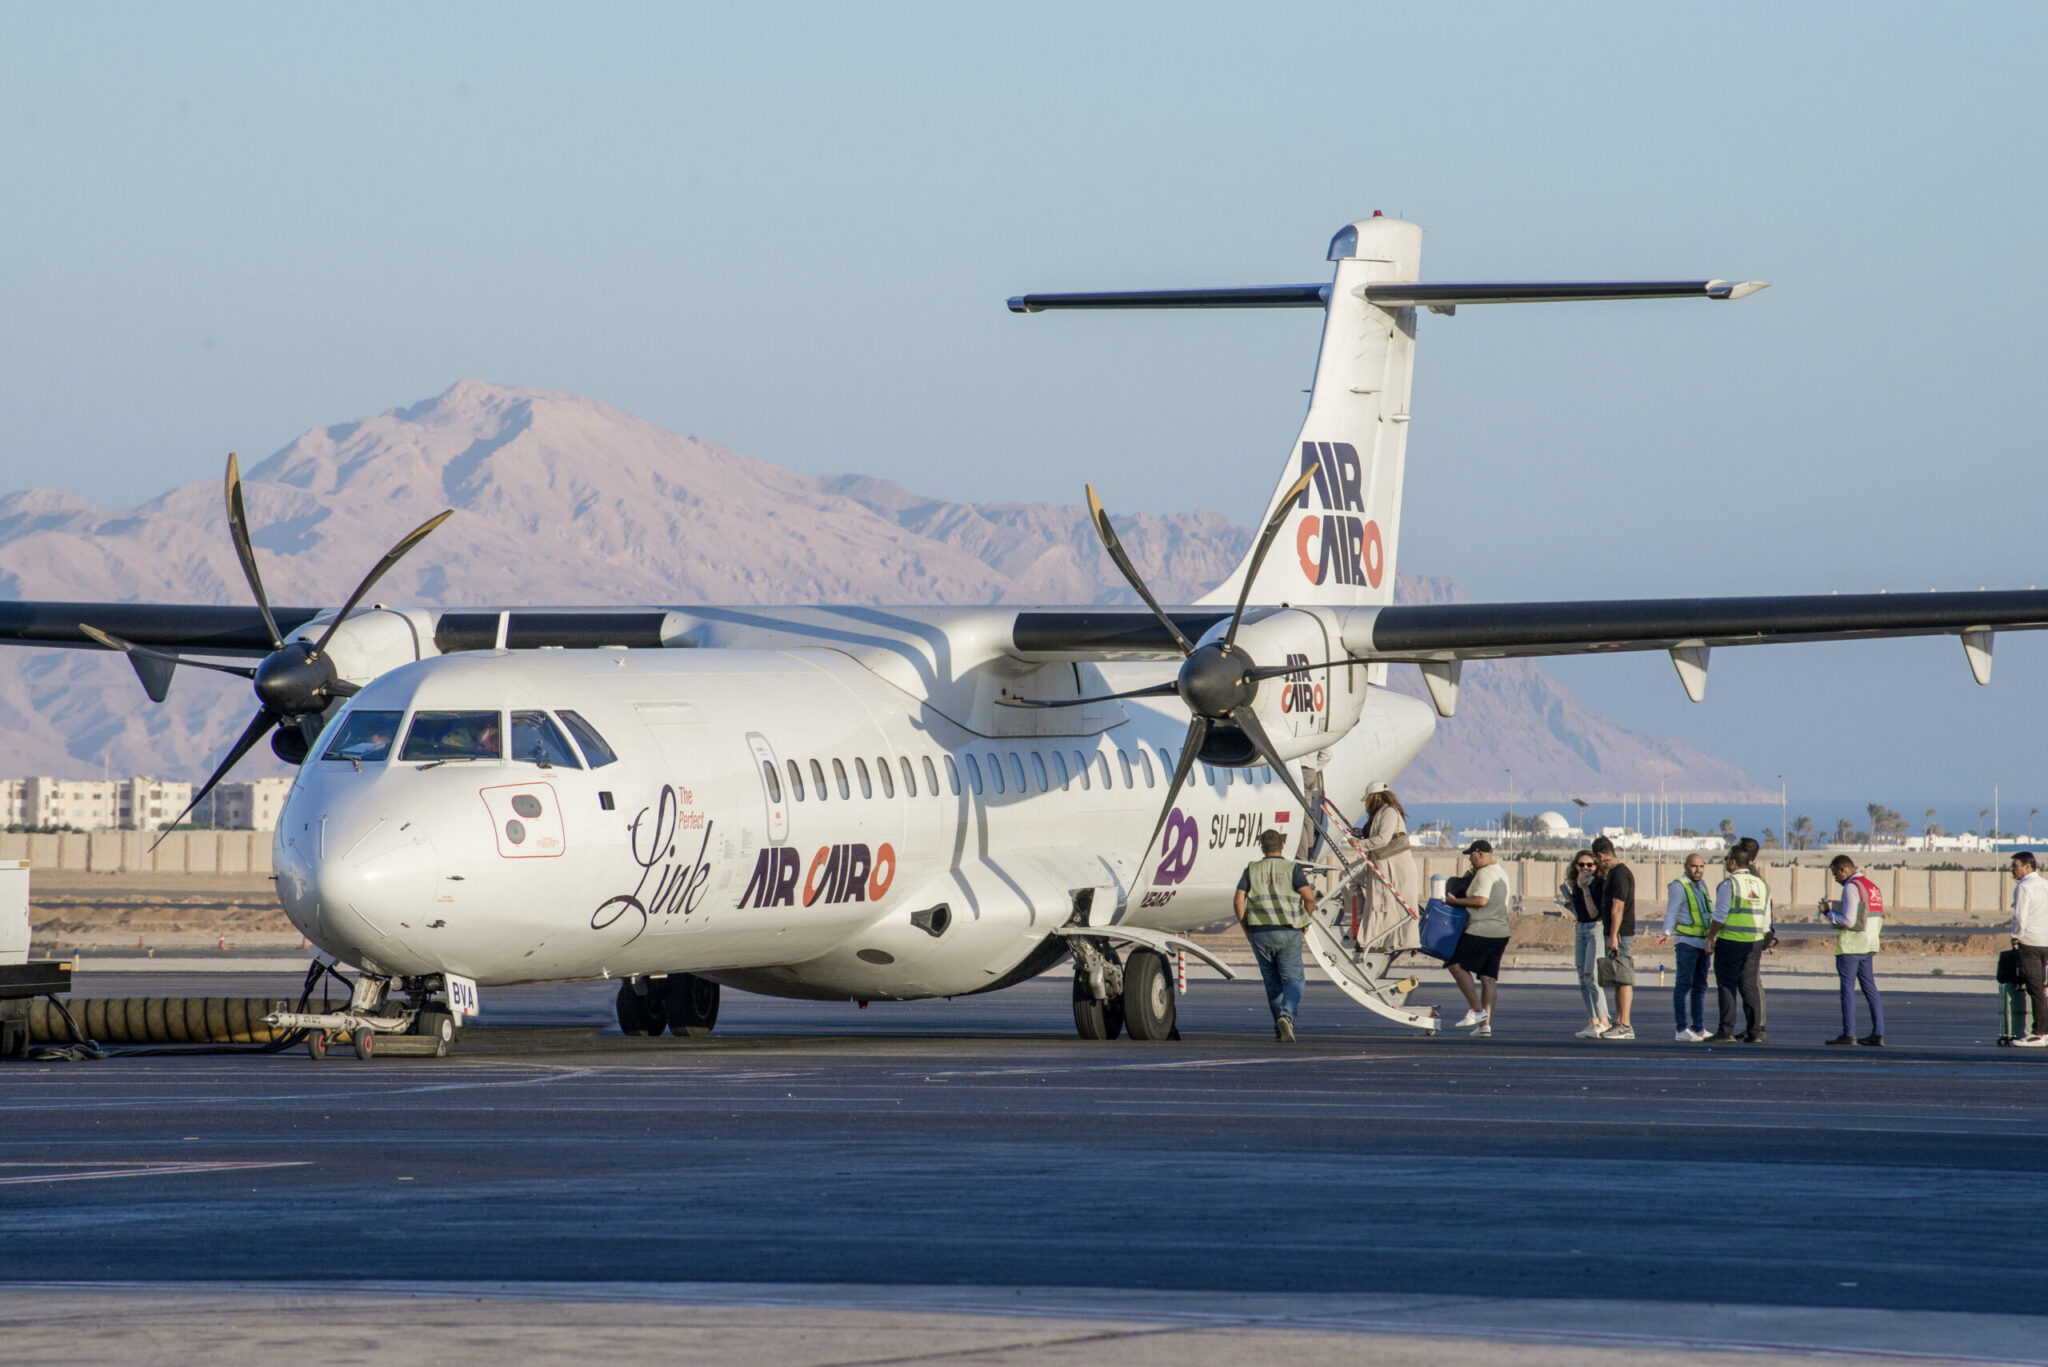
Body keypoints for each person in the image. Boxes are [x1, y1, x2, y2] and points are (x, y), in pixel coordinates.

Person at [1234, 829, 1317, 1043]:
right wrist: (1305, 920)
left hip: (1259, 931)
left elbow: (1238, 900)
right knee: (1294, 980)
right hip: (1288, 930)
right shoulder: (1292, 869)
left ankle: (1280, 1027)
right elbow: (1309, 897)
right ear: (1282, 845)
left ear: (1261, 847)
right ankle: (1286, 1015)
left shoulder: (1251, 870)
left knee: (1272, 983)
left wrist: (1245, 926)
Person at [1442, 839, 1511, 1037]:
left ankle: (1477, 1010)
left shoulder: (1484, 873)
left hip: (1481, 929)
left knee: (1455, 964)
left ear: (1480, 853)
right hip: (1501, 932)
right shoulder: (1501, 872)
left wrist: (1454, 901)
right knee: (1488, 978)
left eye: (1471, 857)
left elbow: (1481, 900)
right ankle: (1484, 1026)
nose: (1470, 862)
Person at [1705, 843, 1771, 1043]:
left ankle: (1726, 1030)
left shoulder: (1730, 884)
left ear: (1733, 862)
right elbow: (1766, 918)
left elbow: (1720, 914)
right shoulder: (1762, 884)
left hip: (1730, 941)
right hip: (1754, 942)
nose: (1725, 862)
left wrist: (1710, 937)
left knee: (1726, 985)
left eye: (1726, 859)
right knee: (1749, 986)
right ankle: (1755, 1032)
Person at [1821, 854, 1886, 1047]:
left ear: (1843, 869)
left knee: (1847, 990)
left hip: (1851, 945)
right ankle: (1878, 1032)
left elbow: (1849, 921)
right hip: (1869, 944)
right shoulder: (1871, 886)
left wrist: (1828, 913)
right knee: (1870, 989)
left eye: (1835, 875)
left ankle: (1849, 1034)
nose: (1836, 879)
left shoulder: (1851, 887)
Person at [1355, 782, 1420, 955]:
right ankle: (1376, 936)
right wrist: (1361, 834)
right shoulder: (1379, 814)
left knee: (1397, 903)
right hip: (1382, 864)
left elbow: (1383, 839)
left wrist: (1360, 844)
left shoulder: (1389, 812)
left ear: (1374, 797)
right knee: (1381, 900)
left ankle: (1400, 940)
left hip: (1396, 866)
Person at [1657, 852, 1713, 1041]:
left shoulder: (1702, 886)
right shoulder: (1679, 886)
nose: (1698, 870)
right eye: (1694, 866)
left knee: (1700, 986)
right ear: (1686, 866)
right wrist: (1666, 932)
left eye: (1701, 866)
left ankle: (1699, 1027)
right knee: (1683, 985)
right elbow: (1671, 911)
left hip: (1702, 943)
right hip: (1686, 943)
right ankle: (1681, 1028)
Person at [1589, 836, 1636, 1041]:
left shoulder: (1619, 875)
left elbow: (1618, 906)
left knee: (1623, 978)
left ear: (1601, 856)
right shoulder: (1615, 874)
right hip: (1617, 932)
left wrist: (1613, 935)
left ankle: (1625, 1023)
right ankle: (1618, 1021)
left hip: (1621, 933)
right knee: (1617, 979)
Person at [1560, 849, 1610, 1037]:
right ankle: (1593, 1020)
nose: (1586, 868)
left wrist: (1586, 889)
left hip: (1594, 929)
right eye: (1581, 865)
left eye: (1590, 865)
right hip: (1580, 928)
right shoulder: (1576, 885)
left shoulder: (1597, 884)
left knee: (1592, 977)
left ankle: (1604, 1020)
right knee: (1582, 978)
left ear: (1596, 867)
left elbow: (1593, 913)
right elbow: (1581, 914)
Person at [2009, 850, 2048, 1047]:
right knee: (2044, 988)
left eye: (2015, 866)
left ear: (2027, 866)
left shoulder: (2024, 887)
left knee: (2036, 988)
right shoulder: (2045, 885)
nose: (2012, 870)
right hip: (2046, 941)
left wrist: (2016, 937)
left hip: (2031, 943)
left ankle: (2039, 1033)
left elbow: (2020, 917)